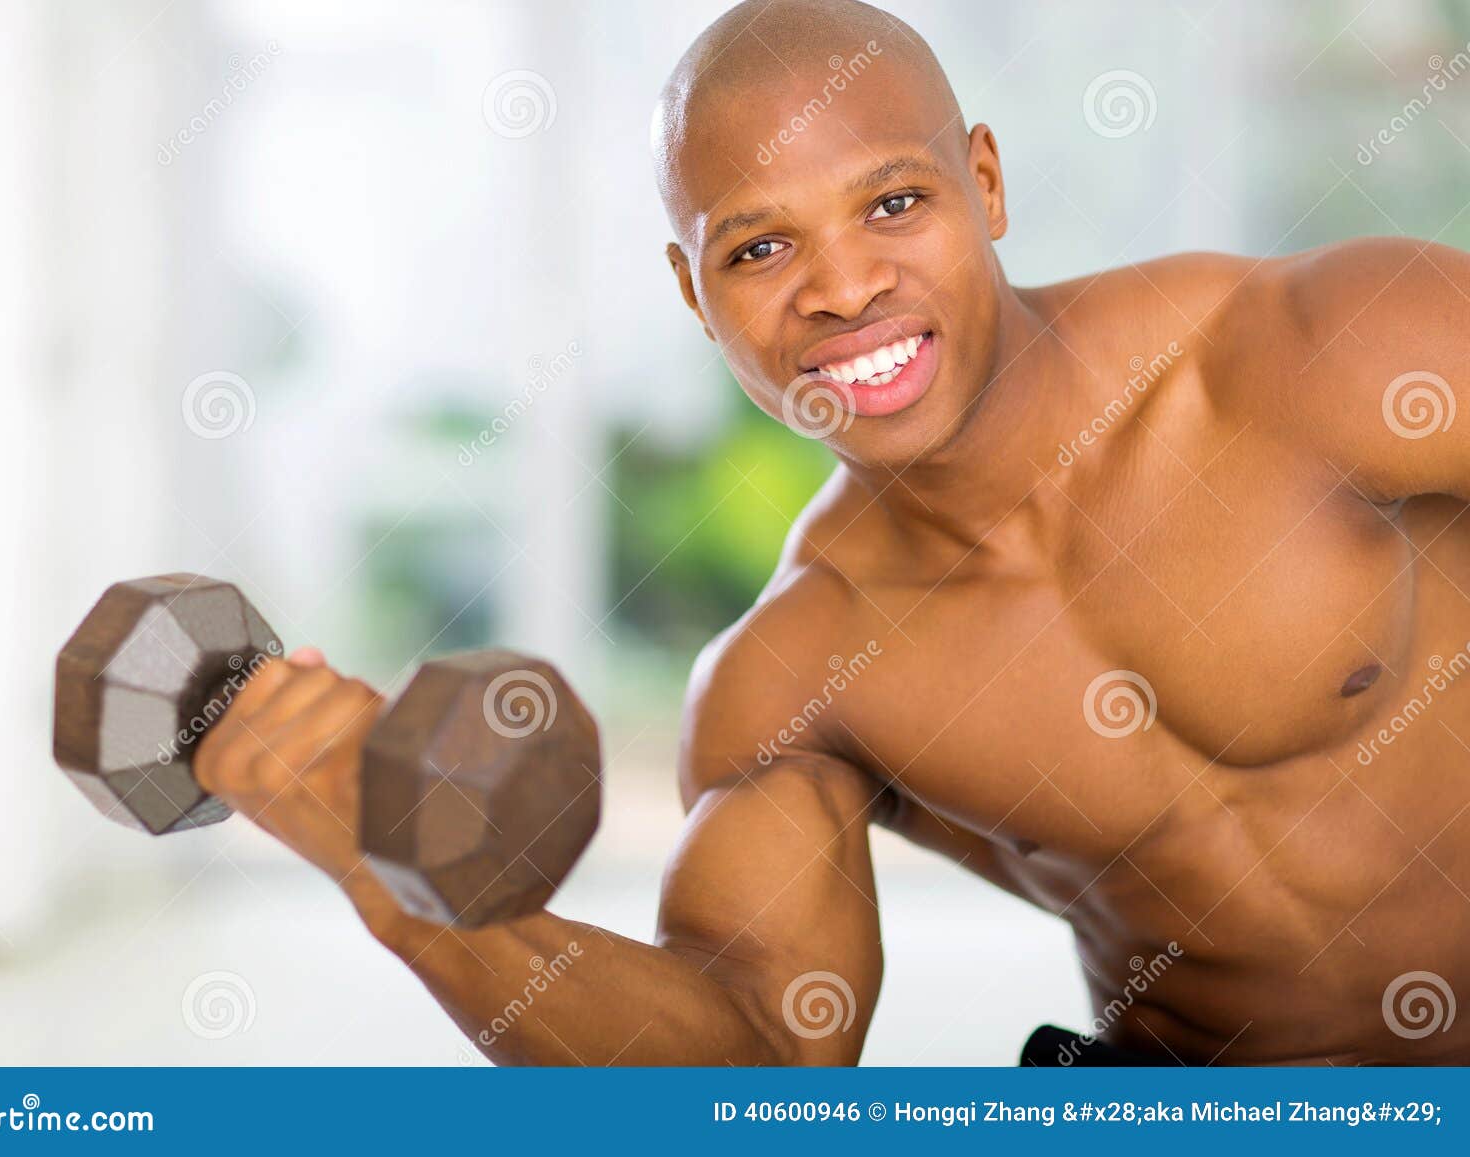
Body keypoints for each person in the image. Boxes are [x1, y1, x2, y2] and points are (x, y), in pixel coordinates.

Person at [192, 0, 1470, 1065]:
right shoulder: (796, 678)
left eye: (893, 205)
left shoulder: (1329, 351)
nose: (846, 289)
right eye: (759, 248)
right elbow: (743, 1068)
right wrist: (402, 889)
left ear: (983, 181)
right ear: (695, 293)